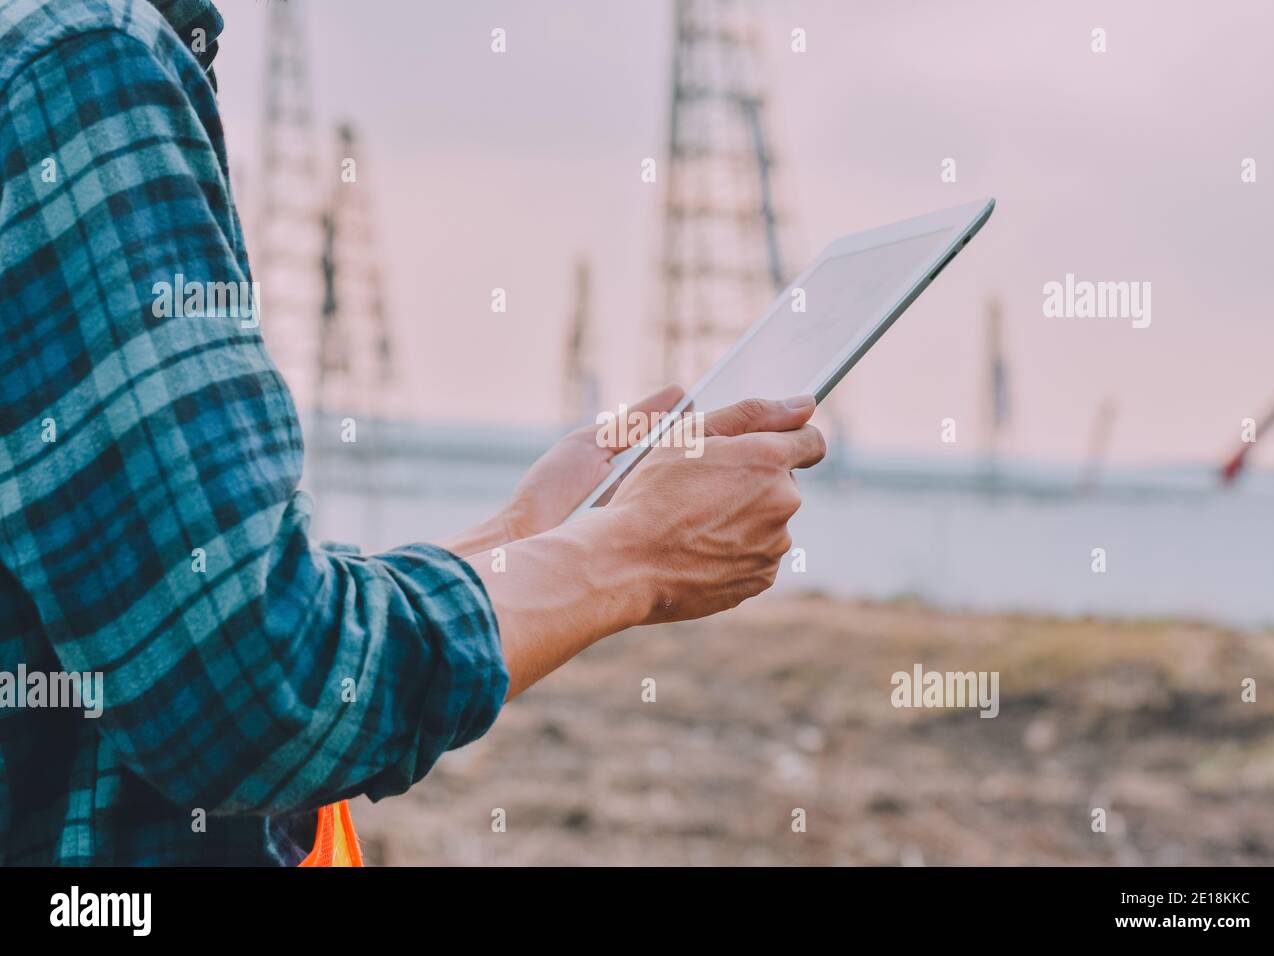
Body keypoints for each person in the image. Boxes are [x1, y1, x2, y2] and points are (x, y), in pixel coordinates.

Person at [0, 0, 824, 865]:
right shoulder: (83, 59)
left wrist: (522, 536)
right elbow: (261, 693)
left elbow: (180, 614)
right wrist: (630, 557)